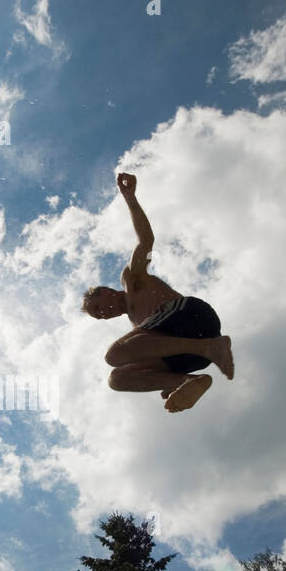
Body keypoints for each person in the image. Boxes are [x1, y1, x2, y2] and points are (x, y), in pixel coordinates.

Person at [83, 173, 233, 412]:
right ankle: (188, 381)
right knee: (117, 378)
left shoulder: (133, 280)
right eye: (99, 316)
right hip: (193, 356)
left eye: (99, 306)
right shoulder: (140, 331)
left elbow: (146, 241)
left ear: (107, 290)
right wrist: (162, 381)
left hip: (192, 315)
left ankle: (208, 348)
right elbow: (147, 360)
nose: (103, 313)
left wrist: (130, 198)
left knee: (114, 355)